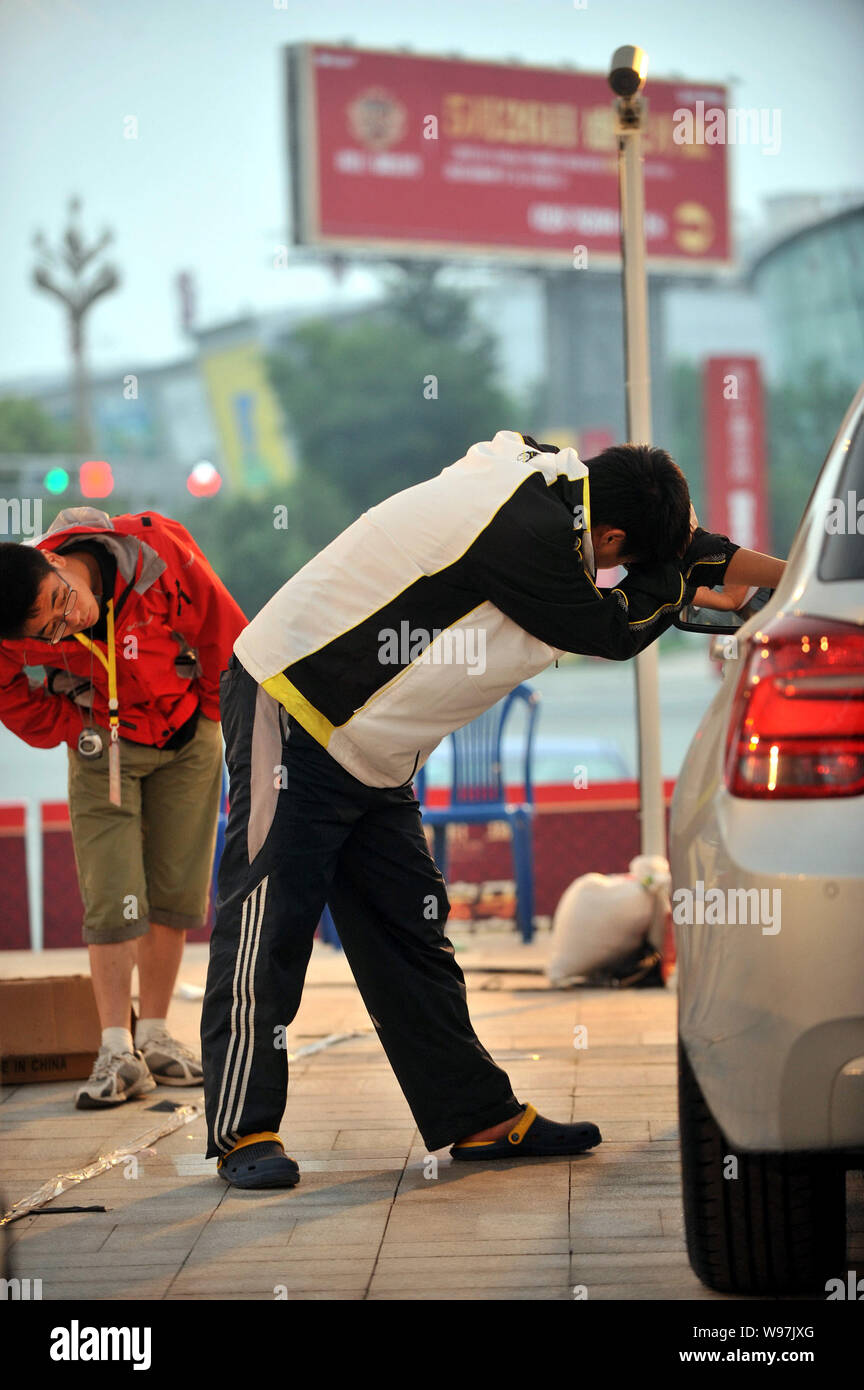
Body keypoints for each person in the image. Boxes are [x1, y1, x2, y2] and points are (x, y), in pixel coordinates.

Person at [201, 432, 786, 1189]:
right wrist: (671, 587)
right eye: (624, 562)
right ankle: (243, 1130)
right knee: (267, 924)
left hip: (371, 742)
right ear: (609, 538)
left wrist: (801, 581)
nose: (619, 571)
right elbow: (613, 631)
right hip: (294, 702)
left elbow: (690, 553)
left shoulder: (546, 477)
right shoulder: (532, 535)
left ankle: (476, 1119)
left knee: (412, 932)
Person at [0, 506, 247, 1109]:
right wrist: (70, 723)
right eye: (51, 630)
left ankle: (157, 1035)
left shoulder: (158, 551)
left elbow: (224, 631)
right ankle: (116, 1048)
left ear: (55, 560)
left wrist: (214, 713)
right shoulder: (12, 627)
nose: (69, 620)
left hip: (188, 736)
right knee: (113, 893)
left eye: (63, 602)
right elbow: (9, 693)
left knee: (175, 889)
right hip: (101, 746)